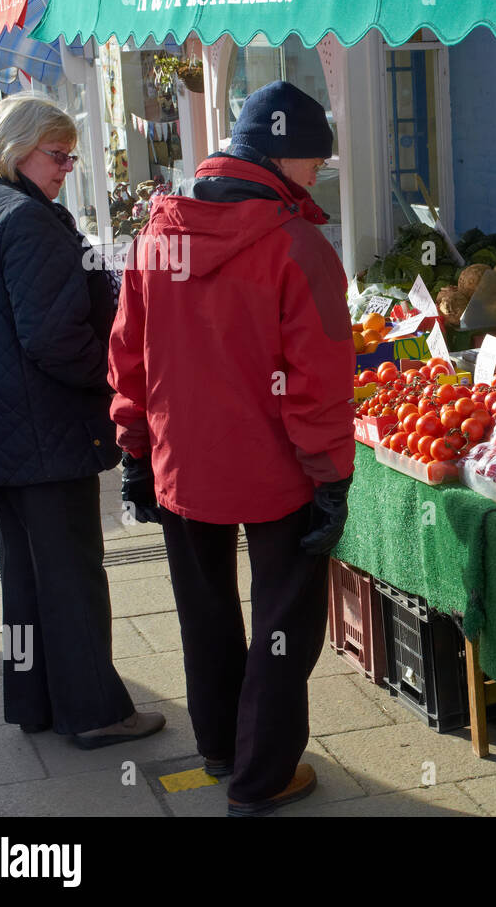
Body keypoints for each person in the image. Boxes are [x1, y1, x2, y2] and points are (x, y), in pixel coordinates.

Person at [108, 81, 355, 817]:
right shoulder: (297, 245)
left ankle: (218, 747)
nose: (318, 174)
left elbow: (128, 357)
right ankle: (262, 776)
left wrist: (134, 449)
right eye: (314, 159)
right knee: (286, 621)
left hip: (182, 461)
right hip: (277, 467)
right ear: (281, 155)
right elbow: (320, 382)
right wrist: (332, 478)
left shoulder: (157, 235)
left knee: (204, 608)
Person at [0, 94, 165, 749]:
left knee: (27, 573)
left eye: (69, 155)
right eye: (56, 155)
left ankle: (34, 702)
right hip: (44, 432)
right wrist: (114, 373)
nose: (66, 166)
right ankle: (94, 712)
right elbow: (55, 336)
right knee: (70, 573)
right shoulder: (28, 221)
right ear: (15, 149)